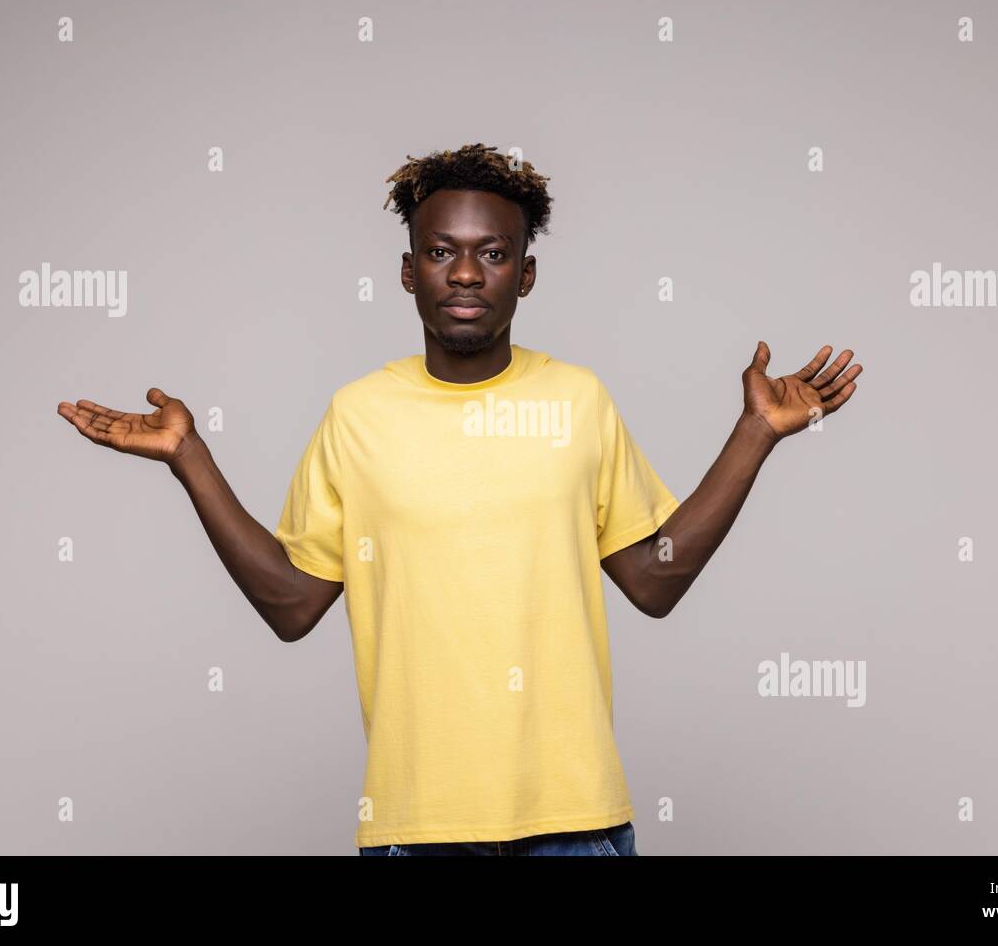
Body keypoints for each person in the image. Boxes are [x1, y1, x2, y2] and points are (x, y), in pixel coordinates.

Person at [56, 142, 863, 856]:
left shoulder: (577, 401)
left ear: (527, 272)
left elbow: (654, 580)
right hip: (416, 830)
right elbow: (294, 602)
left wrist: (755, 432)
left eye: (493, 253)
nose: (467, 273)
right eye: (441, 251)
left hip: (573, 825)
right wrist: (189, 457)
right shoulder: (358, 415)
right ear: (409, 270)